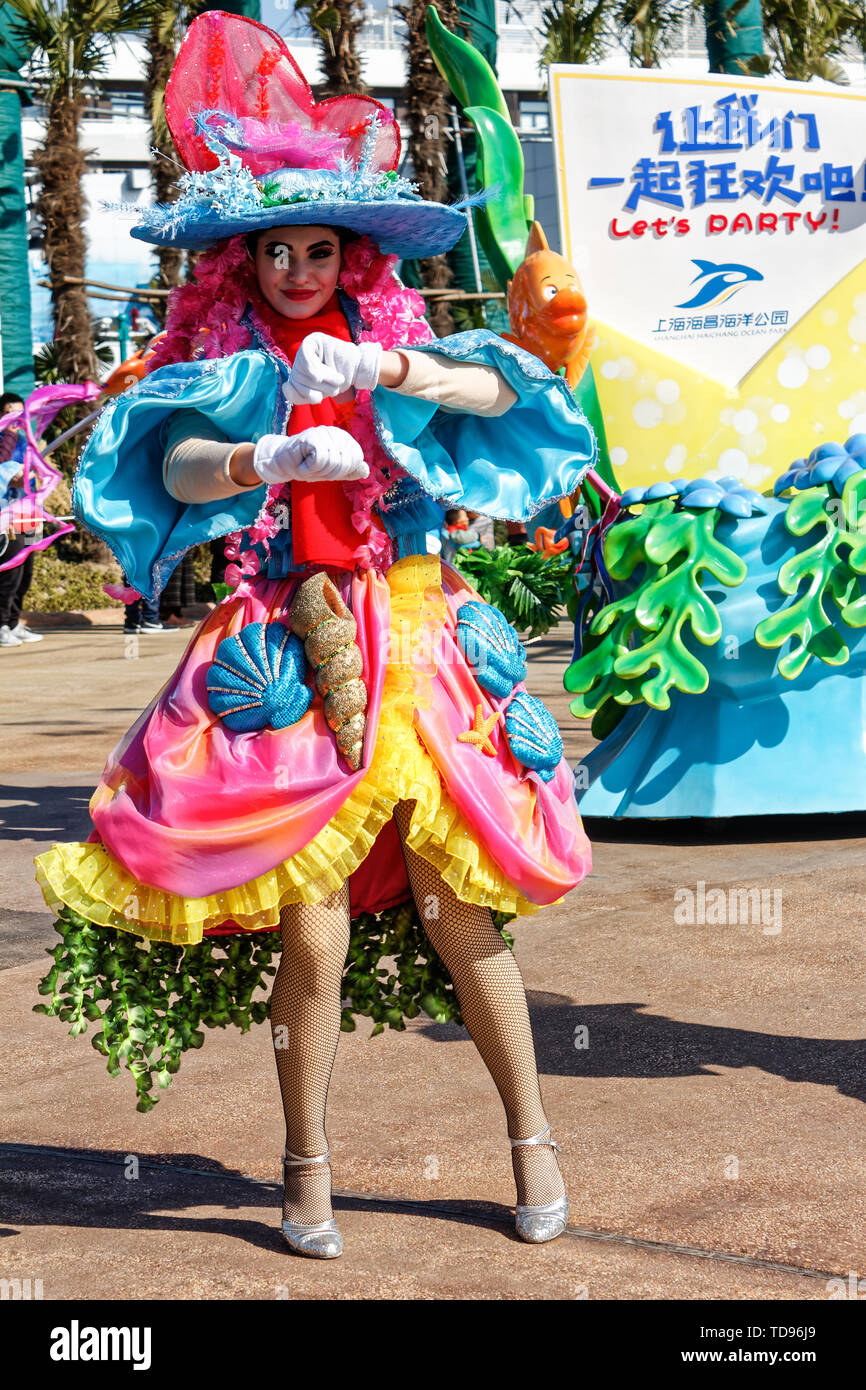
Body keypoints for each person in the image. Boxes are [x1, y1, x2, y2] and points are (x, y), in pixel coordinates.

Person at [33, 12, 595, 1259]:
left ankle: (531, 1136)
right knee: (314, 924)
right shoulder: (214, 353)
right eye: (278, 248)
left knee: (460, 904)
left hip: (421, 625)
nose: (298, 266)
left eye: (320, 246)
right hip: (283, 641)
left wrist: (397, 380)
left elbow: (509, 388)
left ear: (351, 253)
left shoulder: (390, 338)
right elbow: (164, 462)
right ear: (247, 257)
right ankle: (307, 1166)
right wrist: (262, 450)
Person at [0, 392, 43, 647]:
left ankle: (14, 622)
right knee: (10, 571)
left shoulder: (25, 442)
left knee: (25, 571)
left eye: (19, 411)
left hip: (28, 511)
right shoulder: (4, 439)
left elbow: (33, 477)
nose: (16, 417)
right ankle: (2, 624)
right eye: (9, 412)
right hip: (7, 515)